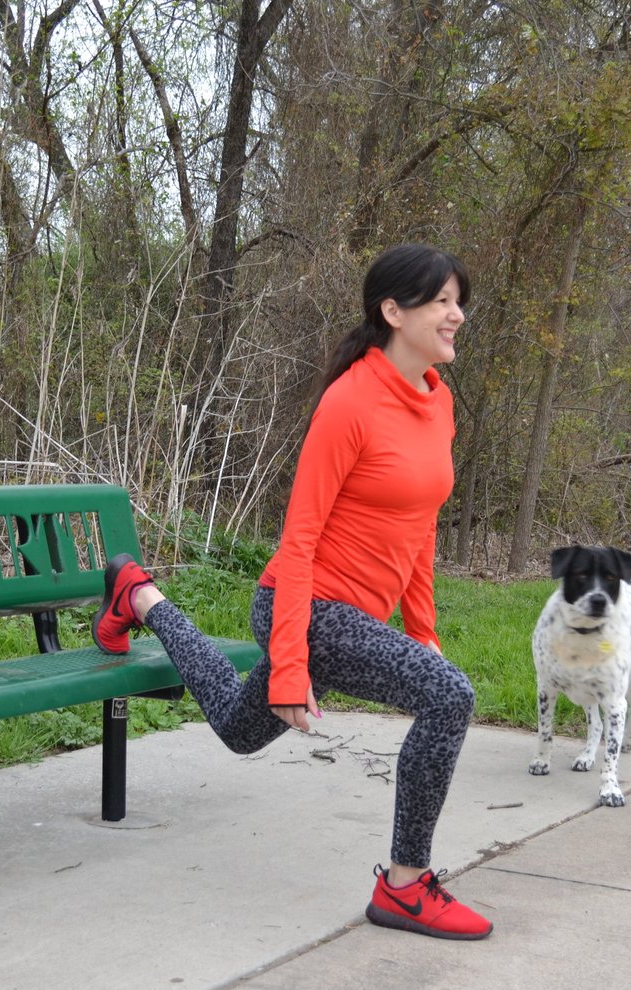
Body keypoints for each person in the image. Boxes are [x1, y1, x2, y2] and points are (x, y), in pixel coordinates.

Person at [94, 243, 490, 941]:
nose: (457, 314)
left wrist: (420, 631)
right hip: (304, 608)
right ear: (393, 311)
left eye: (459, 300)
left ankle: (140, 596)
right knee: (448, 694)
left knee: (238, 732)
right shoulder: (351, 402)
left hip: (354, 618)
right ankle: (404, 885)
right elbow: (299, 539)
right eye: (442, 301)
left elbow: (419, 526)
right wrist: (293, 662)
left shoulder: (438, 401)